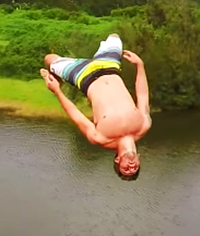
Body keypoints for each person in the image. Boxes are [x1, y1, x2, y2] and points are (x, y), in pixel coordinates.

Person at [39, 34, 151, 179]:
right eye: (134, 168)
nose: (131, 166)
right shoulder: (143, 125)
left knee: (49, 59)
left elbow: (77, 116)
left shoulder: (101, 138)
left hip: (83, 76)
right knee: (114, 36)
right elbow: (142, 95)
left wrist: (57, 91)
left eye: (126, 169)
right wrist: (140, 65)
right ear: (139, 160)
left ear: (117, 160)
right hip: (109, 66)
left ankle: (57, 78)